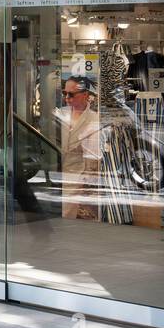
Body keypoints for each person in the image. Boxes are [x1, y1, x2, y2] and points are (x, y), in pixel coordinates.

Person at [58, 75, 102, 221]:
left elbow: (93, 157)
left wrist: (87, 183)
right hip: (56, 172)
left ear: (85, 95)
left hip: (77, 176)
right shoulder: (59, 114)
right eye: (64, 93)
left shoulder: (94, 119)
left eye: (71, 94)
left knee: (66, 215)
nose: (67, 97)